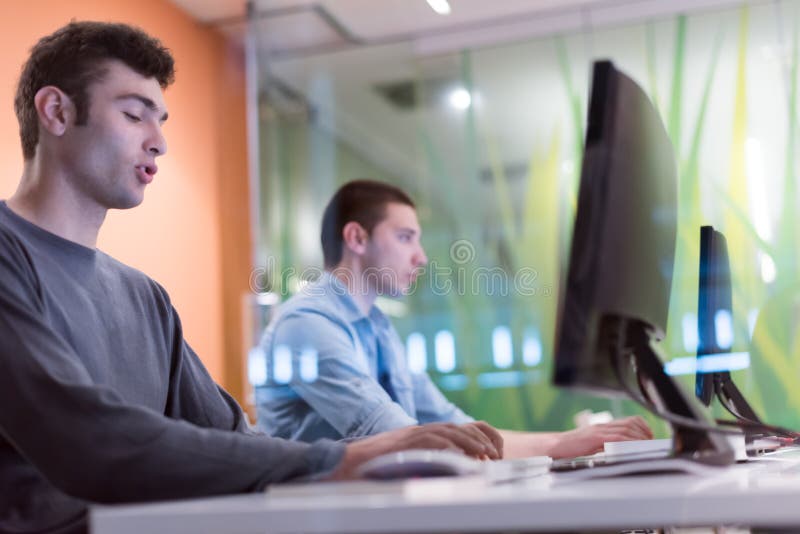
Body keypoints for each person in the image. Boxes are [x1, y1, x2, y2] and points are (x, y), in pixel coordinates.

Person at [0, 22, 503, 534]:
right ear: (58, 112)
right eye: (133, 115)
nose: (159, 143)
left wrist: (376, 455)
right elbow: (89, 442)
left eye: (161, 121)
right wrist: (338, 461)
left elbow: (237, 441)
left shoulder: (143, 297)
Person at [256, 179, 653, 458]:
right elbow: (402, 437)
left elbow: (453, 426)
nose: (421, 256)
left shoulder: (377, 329)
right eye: (405, 237)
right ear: (357, 238)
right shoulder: (307, 325)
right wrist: (554, 444)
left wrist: (565, 442)